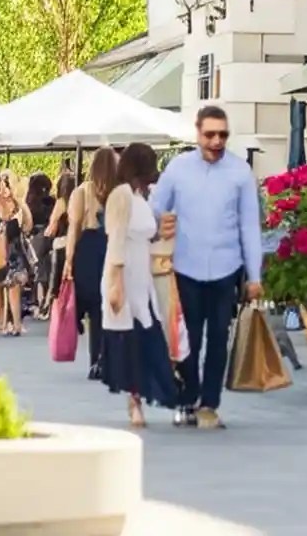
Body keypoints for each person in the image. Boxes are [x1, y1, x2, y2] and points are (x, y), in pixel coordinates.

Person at [149, 105, 263, 430]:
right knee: (189, 340)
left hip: (227, 268)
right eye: (210, 134)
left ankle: (209, 404)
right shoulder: (177, 169)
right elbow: (155, 208)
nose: (216, 141)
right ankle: (186, 400)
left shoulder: (240, 173)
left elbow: (249, 227)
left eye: (222, 134)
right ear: (197, 133)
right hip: (185, 267)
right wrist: (159, 223)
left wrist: (254, 276)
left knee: (218, 338)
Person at [99, 143, 180, 427]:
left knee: (145, 334)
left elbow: (144, 236)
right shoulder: (121, 195)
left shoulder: (137, 196)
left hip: (141, 273)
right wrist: (116, 283)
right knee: (132, 339)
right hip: (124, 272)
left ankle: (144, 397)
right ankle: (135, 401)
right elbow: (117, 239)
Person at [66, 147, 116, 377]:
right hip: (111, 248)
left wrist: (68, 260)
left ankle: (95, 360)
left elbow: (73, 228)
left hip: (87, 248)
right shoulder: (120, 192)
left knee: (93, 306)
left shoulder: (82, 192)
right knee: (107, 308)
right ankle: (107, 358)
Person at [0, 171, 33, 336]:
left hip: (1, 254)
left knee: (3, 291)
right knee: (9, 291)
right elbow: (28, 226)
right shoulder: (14, 207)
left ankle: (5, 324)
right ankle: (11, 324)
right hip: (9, 253)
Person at [25, 173, 56, 320]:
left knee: (38, 269)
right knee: (44, 268)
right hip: (45, 236)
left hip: (33, 238)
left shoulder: (29, 201)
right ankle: (43, 300)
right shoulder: (49, 202)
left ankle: (36, 300)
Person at [46, 171, 76, 303]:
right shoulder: (77, 201)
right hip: (74, 242)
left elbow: (51, 228)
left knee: (57, 283)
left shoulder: (61, 202)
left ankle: (53, 306)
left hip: (60, 243)